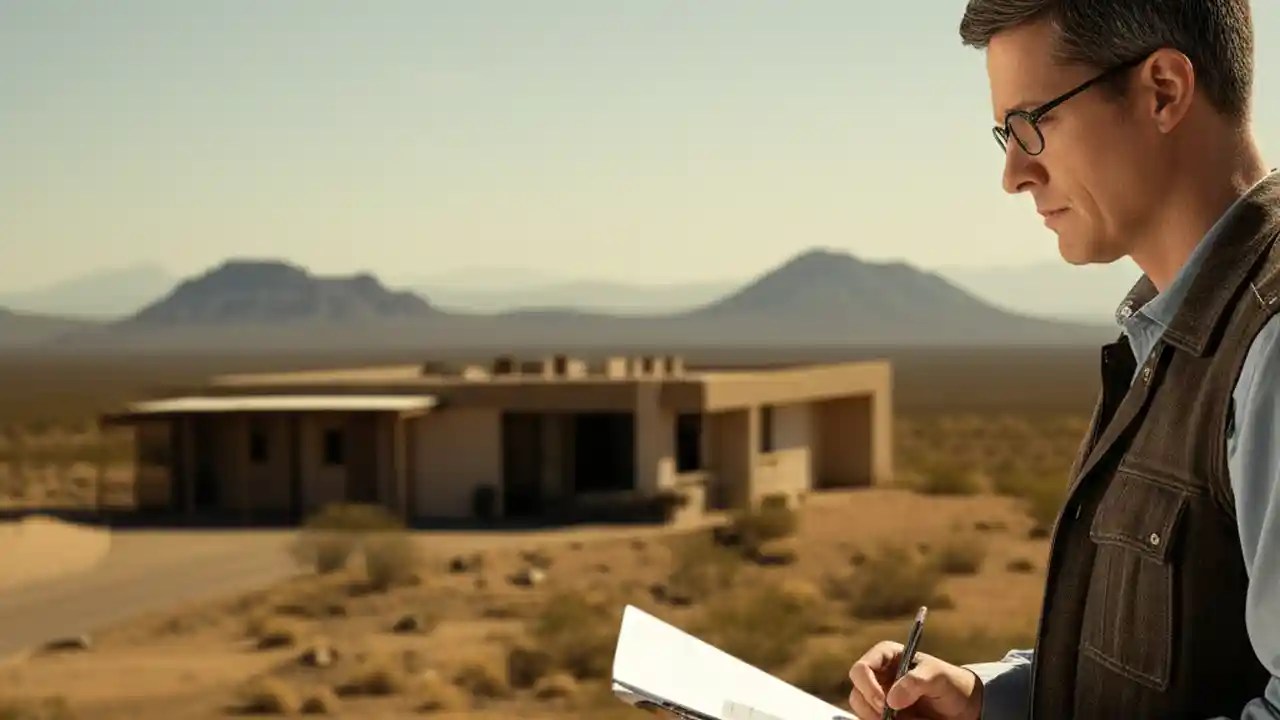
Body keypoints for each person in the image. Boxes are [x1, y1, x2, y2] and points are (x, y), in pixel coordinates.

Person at [846, 1, 1280, 719]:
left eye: (1032, 123)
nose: (1014, 173)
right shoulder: (1169, 333)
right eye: (1006, 134)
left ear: (1163, 91)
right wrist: (989, 701)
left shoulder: (1268, 347)